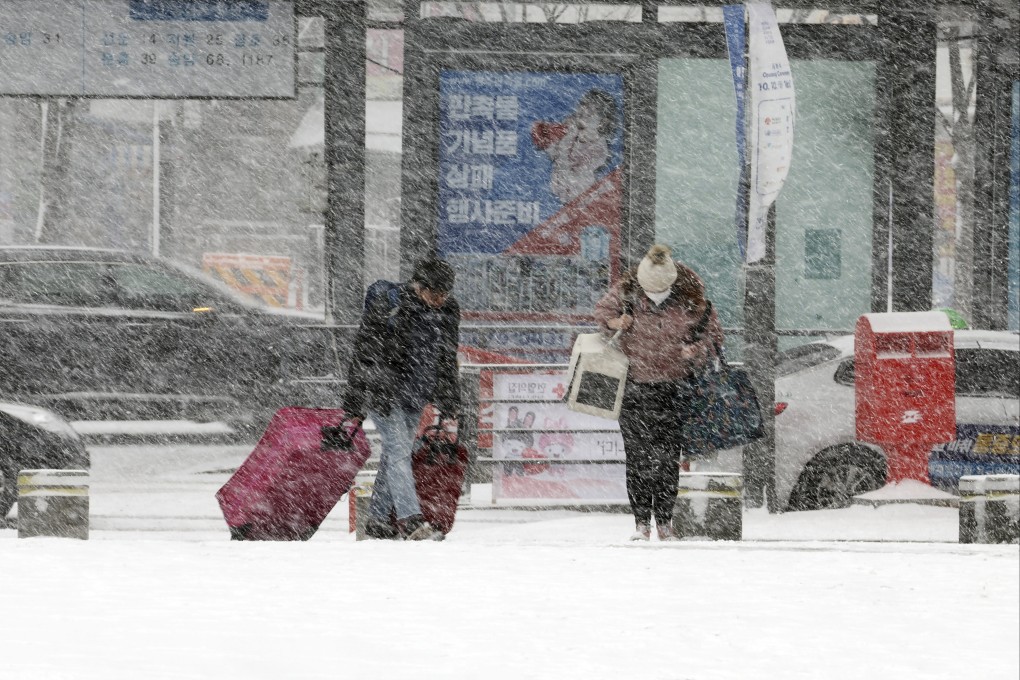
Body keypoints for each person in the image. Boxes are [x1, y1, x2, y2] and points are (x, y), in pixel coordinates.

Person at [594, 244, 724, 541]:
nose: (654, 297)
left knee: (667, 459)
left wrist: (697, 351)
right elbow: (601, 313)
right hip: (633, 388)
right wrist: (616, 322)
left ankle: (664, 521)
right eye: (649, 292)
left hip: (675, 389)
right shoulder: (627, 290)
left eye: (661, 292)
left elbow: (714, 337)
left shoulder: (692, 298)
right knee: (637, 458)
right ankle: (641, 522)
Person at [342, 258, 461, 541]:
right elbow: (364, 354)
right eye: (434, 294)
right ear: (419, 287)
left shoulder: (446, 312)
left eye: (444, 295)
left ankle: (378, 519)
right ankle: (410, 520)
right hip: (384, 394)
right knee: (398, 451)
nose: (439, 300)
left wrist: (449, 402)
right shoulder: (390, 305)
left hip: (414, 394)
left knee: (398, 452)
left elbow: (446, 359)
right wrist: (356, 404)